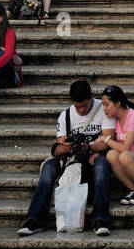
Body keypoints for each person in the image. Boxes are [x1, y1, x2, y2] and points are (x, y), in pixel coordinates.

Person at [18, 79, 113, 236]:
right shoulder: (66, 115)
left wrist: (89, 147)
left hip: (92, 160)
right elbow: (59, 144)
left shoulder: (103, 109)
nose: (81, 111)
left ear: (92, 97)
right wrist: (63, 148)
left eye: (84, 106)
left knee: (102, 164)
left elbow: (109, 139)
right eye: (77, 106)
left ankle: (100, 218)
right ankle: (34, 219)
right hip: (72, 162)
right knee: (49, 166)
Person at [99, 84, 134, 206]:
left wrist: (106, 139)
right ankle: (133, 190)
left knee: (124, 155)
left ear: (118, 103)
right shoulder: (115, 119)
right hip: (127, 160)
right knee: (111, 154)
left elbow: (126, 148)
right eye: (103, 105)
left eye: (107, 104)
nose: (105, 108)